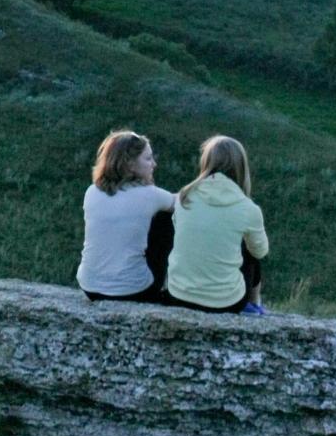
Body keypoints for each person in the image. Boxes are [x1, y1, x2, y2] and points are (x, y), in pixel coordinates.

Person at [165, 135, 269, 315]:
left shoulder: (184, 197)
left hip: (178, 295)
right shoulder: (248, 208)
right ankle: (254, 305)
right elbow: (260, 252)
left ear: (206, 162)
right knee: (250, 248)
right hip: (226, 302)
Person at [76, 129, 177, 303]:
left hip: (89, 287)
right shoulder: (150, 195)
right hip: (135, 291)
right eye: (148, 158)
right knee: (165, 218)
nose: (154, 164)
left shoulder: (91, 191)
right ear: (129, 164)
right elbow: (184, 204)